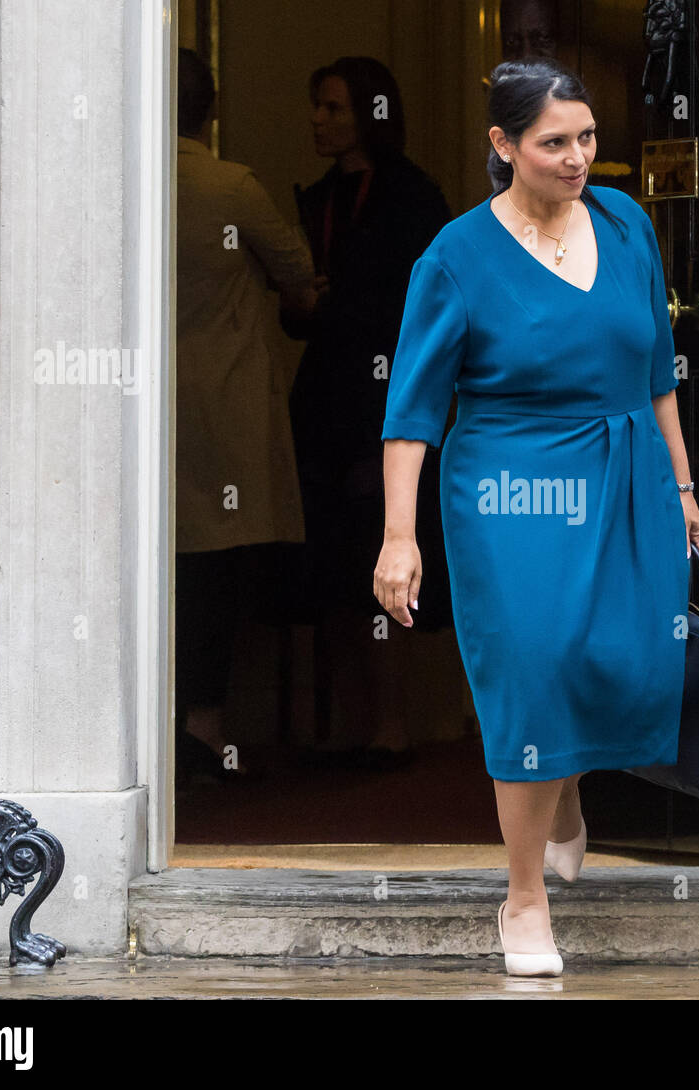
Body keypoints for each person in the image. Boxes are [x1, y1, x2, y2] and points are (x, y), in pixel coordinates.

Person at [374, 59, 699, 976]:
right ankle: (523, 903)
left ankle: (564, 798)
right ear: (504, 146)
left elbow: (657, 372)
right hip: (507, 490)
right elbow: (410, 412)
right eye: (553, 143)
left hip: (627, 470)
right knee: (532, 663)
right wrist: (399, 538)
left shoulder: (628, 224)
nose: (576, 158)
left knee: (615, 658)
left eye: (587, 140)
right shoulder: (455, 257)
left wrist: (681, 487)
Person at [284, 57, 453, 769]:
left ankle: (394, 727)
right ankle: (347, 728)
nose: (319, 120)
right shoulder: (316, 196)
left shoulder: (414, 197)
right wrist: (307, 303)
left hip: (389, 399)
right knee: (329, 558)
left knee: (383, 549)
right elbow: (298, 319)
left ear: (370, 113)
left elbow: (428, 307)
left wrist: (342, 302)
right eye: (317, 107)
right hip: (324, 396)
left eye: (333, 108)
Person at [175, 48, 321, 782]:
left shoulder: (121, 179)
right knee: (215, 577)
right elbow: (300, 275)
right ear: (213, 108)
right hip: (222, 405)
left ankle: (159, 731)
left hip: (145, 410)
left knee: (161, 573)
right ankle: (203, 730)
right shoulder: (231, 186)